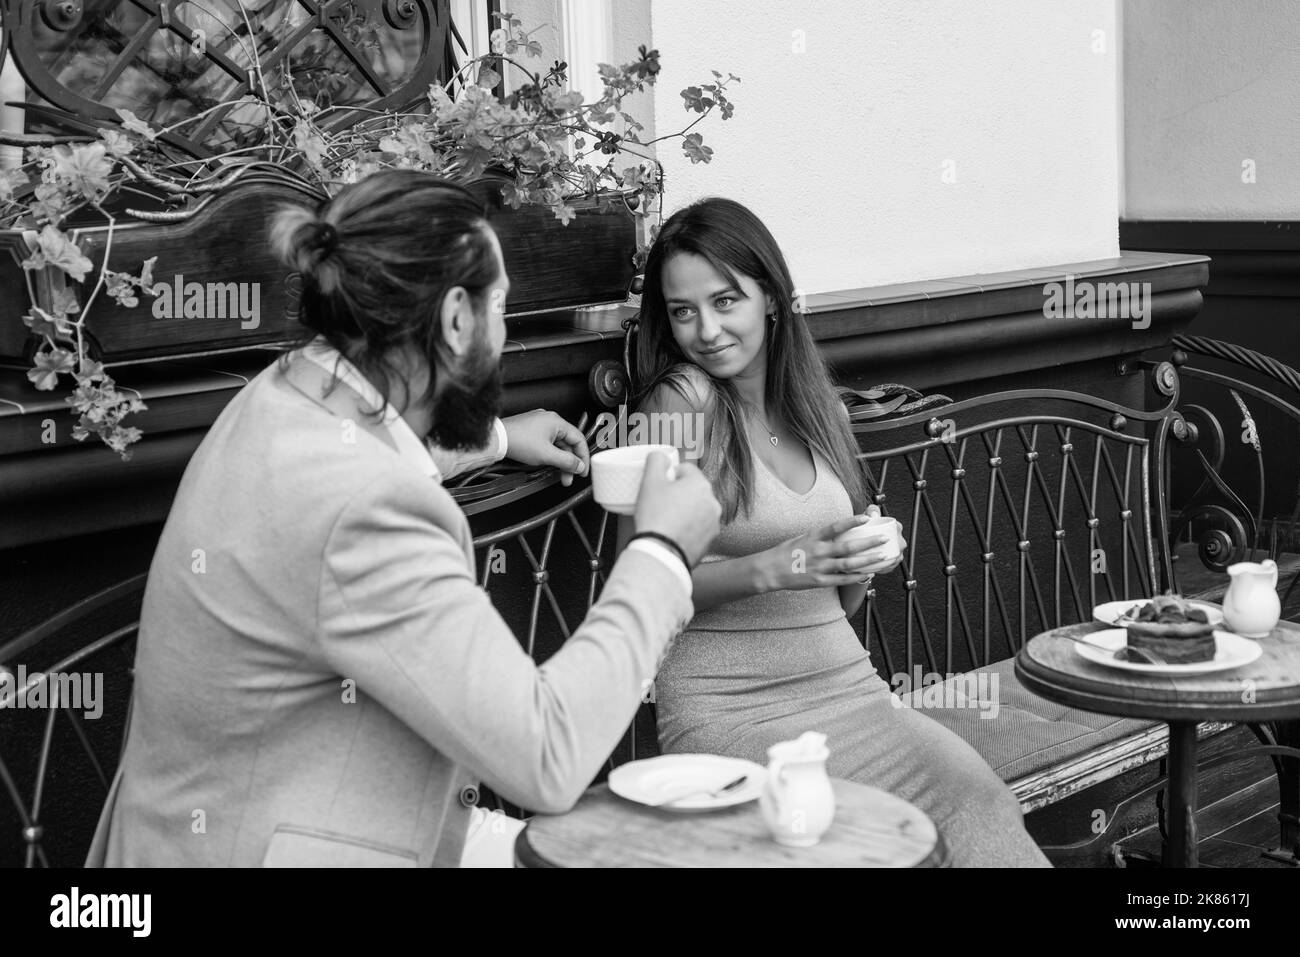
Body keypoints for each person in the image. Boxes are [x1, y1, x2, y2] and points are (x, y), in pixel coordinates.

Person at [86, 170, 720, 867]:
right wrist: (661, 551)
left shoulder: (285, 390)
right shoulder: (367, 512)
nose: (504, 335)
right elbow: (548, 756)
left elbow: (360, 455)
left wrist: (499, 437)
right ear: (455, 318)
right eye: (502, 307)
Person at [621, 197, 1050, 867]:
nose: (705, 329)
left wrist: (858, 558)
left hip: (853, 696)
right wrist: (783, 563)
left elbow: (841, 604)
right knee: (844, 845)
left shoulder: (820, 409)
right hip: (730, 714)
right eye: (682, 310)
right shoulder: (679, 403)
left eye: (725, 300)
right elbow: (640, 582)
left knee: (978, 807)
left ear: (769, 296)